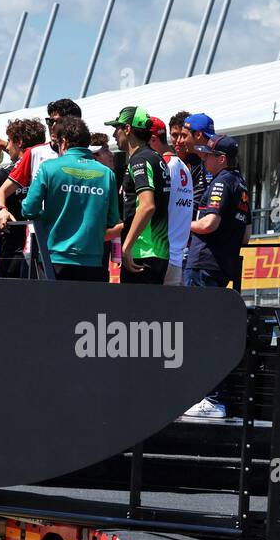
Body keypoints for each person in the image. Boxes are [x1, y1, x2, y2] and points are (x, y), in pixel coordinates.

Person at [181, 134, 250, 420]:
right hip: (222, 265)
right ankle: (210, 397)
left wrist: (180, 224)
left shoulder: (221, 181)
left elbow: (209, 223)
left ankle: (210, 398)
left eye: (208, 155)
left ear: (221, 159)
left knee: (199, 333)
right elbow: (245, 236)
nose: (203, 159)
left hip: (203, 264)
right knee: (210, 332)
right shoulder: (242, 185)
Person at [19, 117, 118, 281]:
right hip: (93, 260)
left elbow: (29, 209)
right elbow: (113, 219)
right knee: (89, 307)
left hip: (54, 257)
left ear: (63, 141)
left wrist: (48, 217)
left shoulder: (48, 168)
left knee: (53, 307)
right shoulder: (107, 174)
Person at [107, 106, 171, 284]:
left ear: (127, 129)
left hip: (143, 253)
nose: (114, 135)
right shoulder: (156, 158)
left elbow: (147, 205)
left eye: (116, 129)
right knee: (149, 311)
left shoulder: (140, 160)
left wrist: (126, 248)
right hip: (156, 251)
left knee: (134, 312)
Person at [0, 117, 47, 276]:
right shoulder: (50, 170)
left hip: (12, 252)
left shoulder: (5, 174)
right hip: (45, 249)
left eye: (9, 141)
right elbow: (27, 158)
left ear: (19, 142)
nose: (7, 145)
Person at [149, 116, 193, 285]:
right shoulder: (184, 167)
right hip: (176, 258)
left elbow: (148, 207)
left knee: (144, 311)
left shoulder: (163, 165)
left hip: (158, 255)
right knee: (168, 311)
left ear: (153, 140)